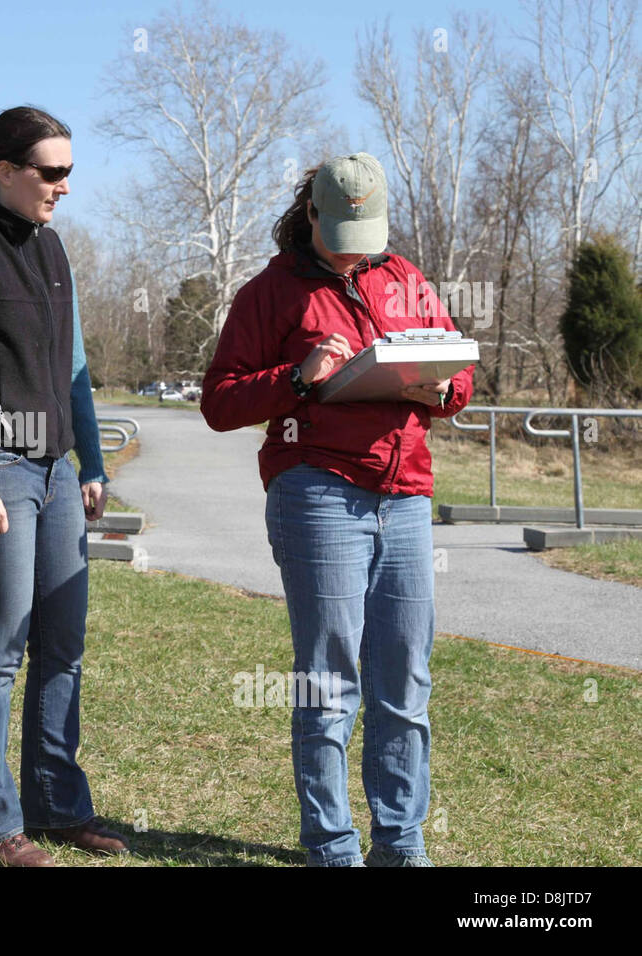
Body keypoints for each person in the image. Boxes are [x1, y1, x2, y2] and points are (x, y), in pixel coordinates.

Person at [200, 153, 474, 867]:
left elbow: (460, 372)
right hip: (316, 490)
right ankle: (332, 847)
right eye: (345, 227)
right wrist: (298, 377)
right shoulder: (271, 291)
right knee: (329, 678)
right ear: (312, 215)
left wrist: (439, 391)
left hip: (406, 490)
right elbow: (221, 402)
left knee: (406, 676)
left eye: (371, 230)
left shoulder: (406, 278)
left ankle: (401, 844)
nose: (361, 244)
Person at [0, 105, 128, 867]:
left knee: (62, 645)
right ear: (3, 169)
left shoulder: (53, 249)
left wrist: (93, 464)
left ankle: (58, 804)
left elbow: (73, 369)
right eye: (51, 172)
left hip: (57, 473)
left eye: (70, 172)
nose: (64, 187)